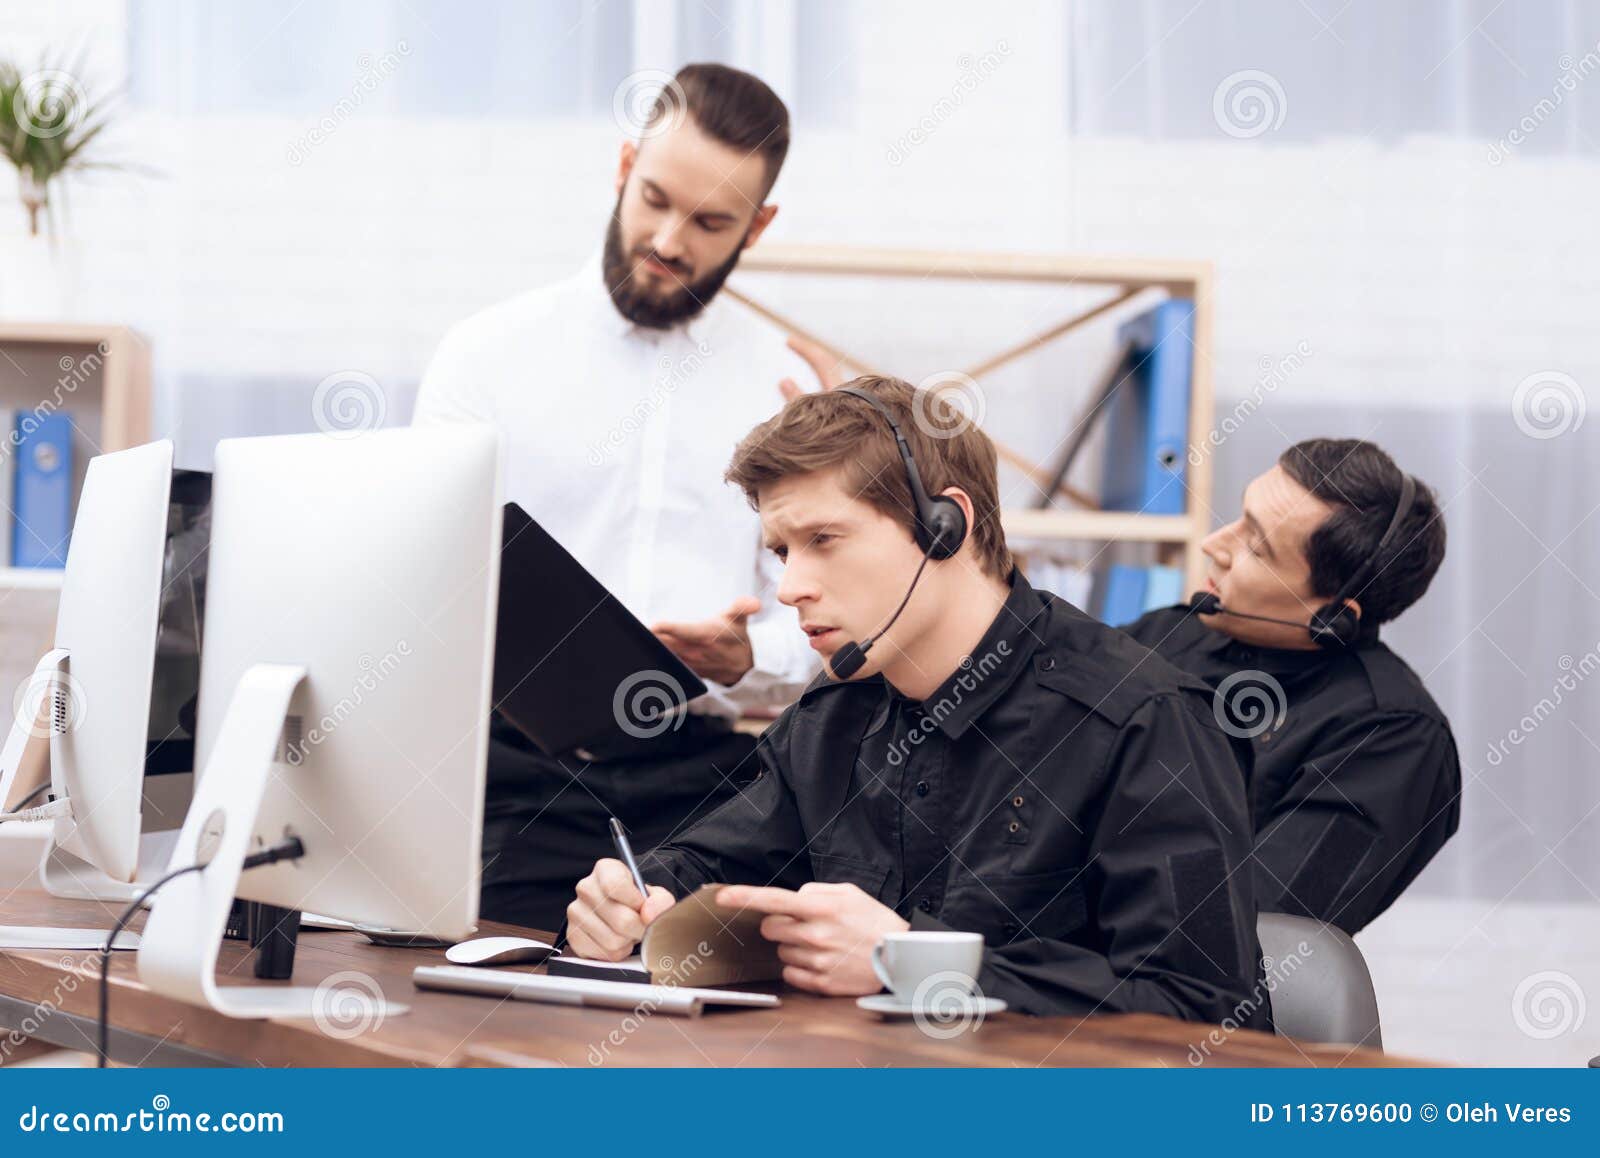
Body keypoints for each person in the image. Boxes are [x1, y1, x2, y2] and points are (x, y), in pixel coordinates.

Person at [564, 376, 1270, 1024]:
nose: (790, 587)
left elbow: (1202, 1011)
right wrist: (633, 898)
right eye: (783, 551)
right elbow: (712, 865)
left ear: (946, 528)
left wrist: (914, 962)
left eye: (823, 540)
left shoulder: (1147, 721)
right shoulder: (833, 716)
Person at [412, 64, 835, 930]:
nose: (671, 239)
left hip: (703, 780)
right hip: (504, 778)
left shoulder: (784, 384)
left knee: (712, 1021)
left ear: (758, 226)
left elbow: (833, 615)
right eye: (655, 199)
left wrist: (751, 658)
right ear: (621, 170)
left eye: (712, 221)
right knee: (480, 1020)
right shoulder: (485, 356)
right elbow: (421, 585)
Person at [1121, 439, 1459, 934]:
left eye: (1256, 546)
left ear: (1333, 619)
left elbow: (1238, 928)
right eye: (1239, 518)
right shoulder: (1170, 633)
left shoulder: (1394, 737)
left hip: (1171, 1002)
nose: (1214, 544)